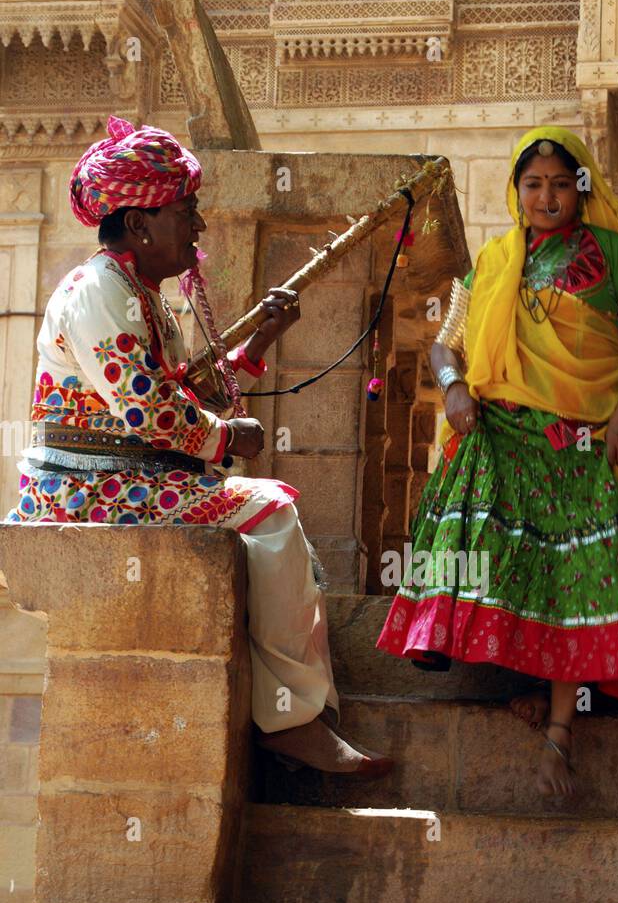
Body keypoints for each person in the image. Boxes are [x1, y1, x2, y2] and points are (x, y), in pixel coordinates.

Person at [3, 115, 390, 778]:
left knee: (265, 510)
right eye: (187, 212)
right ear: (138, 225)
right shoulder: (100, 293)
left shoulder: (137, 295)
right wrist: (223, 437)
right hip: (85, 489)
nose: (199, 227)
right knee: (270, 510)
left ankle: (295, 708)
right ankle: (290, 718)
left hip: (118, 479)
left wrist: (260, 344)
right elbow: (151, 411)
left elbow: (185, 391)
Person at [377, 124, 618, 800]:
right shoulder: (498, 262)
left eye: (562, 182)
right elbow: (449, 346)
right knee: (487, 525)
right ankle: (519, 678)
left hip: (580, 436)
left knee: (574, 563)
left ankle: (561, 729)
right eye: (533, 184)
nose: (547, 195)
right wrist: (452, 388)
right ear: (517, 191)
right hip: (503, 428)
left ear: (581, 187)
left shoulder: (615, 253)